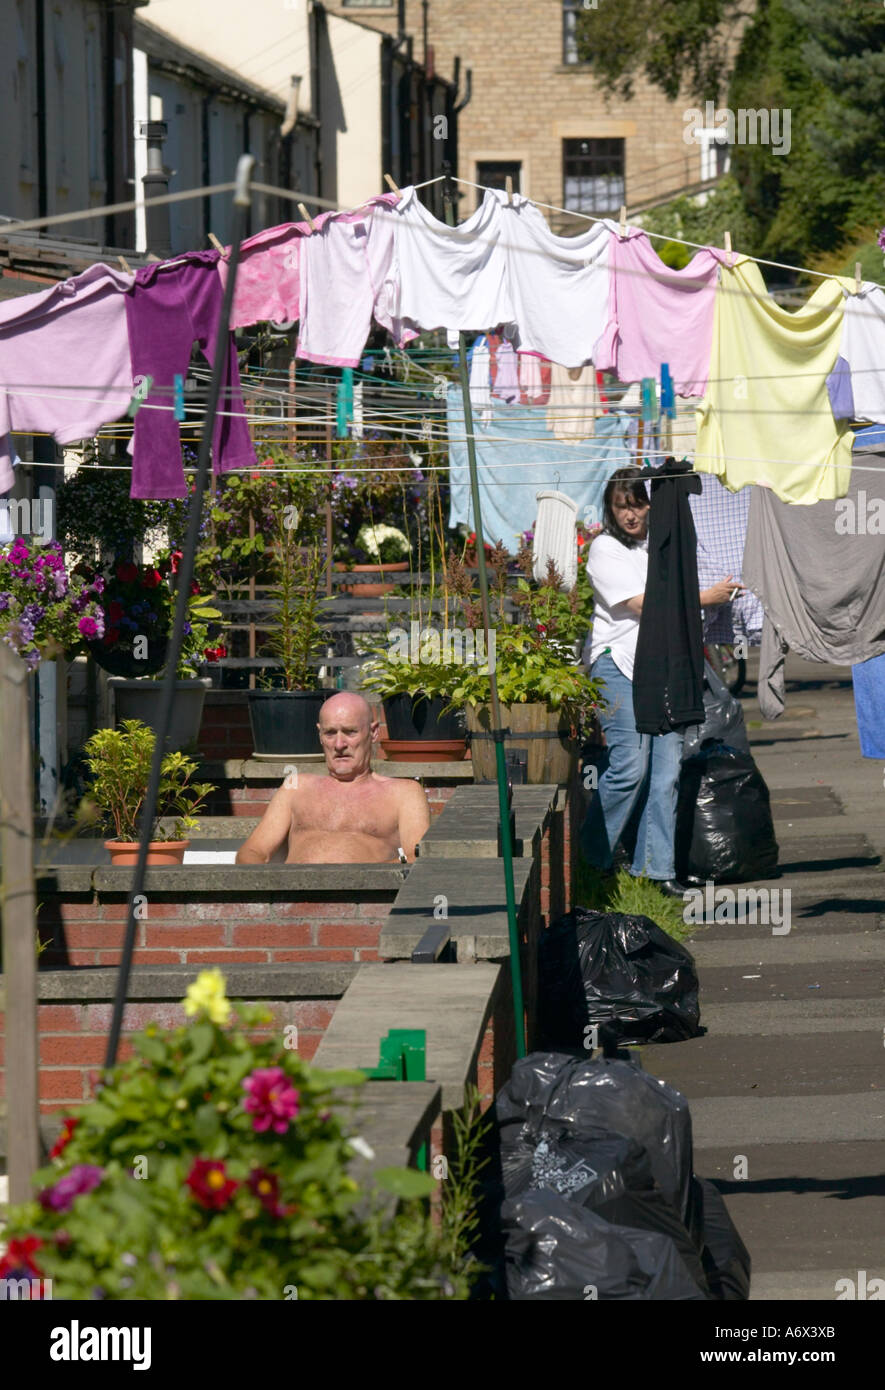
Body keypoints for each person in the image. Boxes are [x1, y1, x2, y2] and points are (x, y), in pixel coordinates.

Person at [581, 466, 743, 896]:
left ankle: (655, 870)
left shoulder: (663, 545)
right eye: (621, 506)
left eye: (637, 503)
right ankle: (591, 859)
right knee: (630, 768)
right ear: (610, 509)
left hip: (668, 667)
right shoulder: (604, 549)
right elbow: (642, 605)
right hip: (620, 666)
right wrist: (703, 597)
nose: (630, 514)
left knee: (667, 772)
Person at [235, 691, 431, 865]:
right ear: (320, 735)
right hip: (291, 899)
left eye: (349, 732)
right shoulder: (296, 787)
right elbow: (252, 852)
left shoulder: (404, 793)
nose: (339, 744)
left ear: (373, 732)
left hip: (366, 902)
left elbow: (418, 860)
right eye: (330, 733)